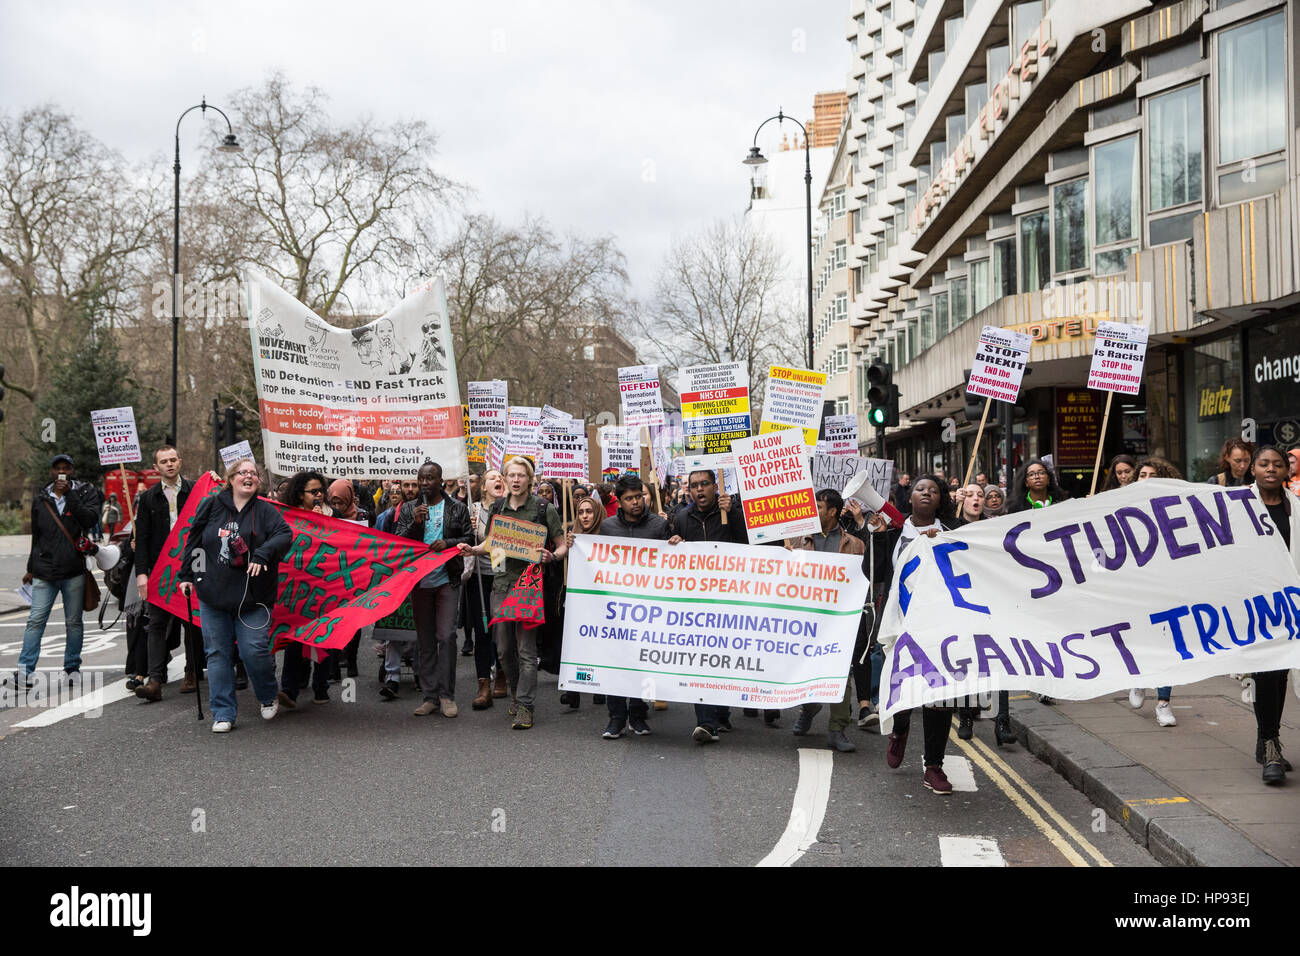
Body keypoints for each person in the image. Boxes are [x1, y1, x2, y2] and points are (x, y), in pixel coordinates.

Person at [177, 458, 292, 733]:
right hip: (213, 594)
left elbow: (284, 534)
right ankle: (223, 712)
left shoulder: (266, 510)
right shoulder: (212, 505)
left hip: (253, 597)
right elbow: (195, 541)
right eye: (243, 473)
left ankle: (267, 694)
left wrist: (264, 553)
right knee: (217, 653)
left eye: (253, 474)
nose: (249, 477)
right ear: (231, 479)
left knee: (254, 650)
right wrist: (188, 576)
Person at [458, 457, 567, 730]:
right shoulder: (498, 507)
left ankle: (526, 705)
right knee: (504, 649)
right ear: (505, 480)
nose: (516, 480)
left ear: (530, 480)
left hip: (529, 586)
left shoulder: (543, 508)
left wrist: (552, 556)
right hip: (501, 585)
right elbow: (492, 542)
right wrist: (473, 550)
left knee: (526, 649)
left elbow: (562, 545)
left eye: (521, 475)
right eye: (511, 476)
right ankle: (518, 693)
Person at [871, 476, 959, 792]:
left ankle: (933, 766)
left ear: (940, 500)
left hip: (940, 623)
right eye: (920, 489)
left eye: (933, 490)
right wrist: (876, 536)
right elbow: (877, 571)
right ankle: (900, 728)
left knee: (938, 693)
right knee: (904, 683)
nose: (926, 493)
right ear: (910, 498)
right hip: (902, 622)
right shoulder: (894, 531)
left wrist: (942, 543)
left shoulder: (953, 529)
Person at [667, 468, 749, 743]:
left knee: (723, 660)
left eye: (704, 484)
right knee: (700, 661)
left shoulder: (731, 513)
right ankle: (706, 722)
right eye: (694, 485)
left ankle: (721, 711)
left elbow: (750, 547)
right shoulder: (681, 518)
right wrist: (675, 543)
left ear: (716, 486)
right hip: (696, 603)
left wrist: (734, 512)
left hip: (729, 599)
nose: (699, 489)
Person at [788, 488, 867, 753]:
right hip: (807, 620)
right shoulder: (798, 541)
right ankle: (809, 707)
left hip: (838, 621)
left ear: (832, 512)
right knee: (806, 669)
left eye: (818, 508)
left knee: (840, 673)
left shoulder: (854, 545)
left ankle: (837, 728)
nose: (813, 511)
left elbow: (861, 583)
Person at [393, 461, 473, 718]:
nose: (425, 483)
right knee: (425, 639)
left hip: (446, 579)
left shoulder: (457, 508)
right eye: (421, 478)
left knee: (446, 636)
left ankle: (447, 695)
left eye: (430, 478)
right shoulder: (408, 508)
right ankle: (430, 696)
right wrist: (416, 523)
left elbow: (469, 539)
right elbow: (399, 541)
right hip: (419, 581)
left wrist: (447, 542)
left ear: (441, 480)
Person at [16, 454, 103, 687]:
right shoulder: (41, 498)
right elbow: (37, 536)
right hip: (44, 571)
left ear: (72, 471)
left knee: (73, 622)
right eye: (57, 469)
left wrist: (70, 496)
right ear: (51, 472)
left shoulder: (85, 493)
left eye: (66, 468)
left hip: (73, 569)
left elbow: (89, 520)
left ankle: (72, 668)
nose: (61, 472)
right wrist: (30, 568)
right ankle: (25, 671)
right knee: (36, 620)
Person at [596, 475, 670, 739]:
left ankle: (637, 715)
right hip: (617, 607)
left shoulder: (658, 525)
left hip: (648, 607)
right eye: (629, 499)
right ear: (620, 501)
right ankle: (616, 717)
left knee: (642, 661)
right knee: (615, 662)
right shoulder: (607, 528)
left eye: (639, 496)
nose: (636, 502)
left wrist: (674, 544)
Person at [132, 446, 205, 701]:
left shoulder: (196, 490)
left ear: (180, 462)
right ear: (157, 467)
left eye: (173, 460)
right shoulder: (149, 498)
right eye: (164, 461)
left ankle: (192, 671)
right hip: (160, 569)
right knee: (156, 623)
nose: (170, 464)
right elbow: (141, 539)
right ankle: (154, 680)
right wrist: (142, 574)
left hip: (191, 565)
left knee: (191, 621)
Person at [1247, 446, 1300, 783]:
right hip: (1254, 605)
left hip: (1291, 605)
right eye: (1263, 464)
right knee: (1267, 672)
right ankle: (1270, 746)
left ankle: (1266, 736)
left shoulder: (1297, 509)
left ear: (1286, 471)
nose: (1270, 469)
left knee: (1280, 674)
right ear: (1253, 469)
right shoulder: (1234, 509)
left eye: (1277, 465)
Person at [276, 471, 336, 708]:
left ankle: (321, 687)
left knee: (324, 637)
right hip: (298, 589)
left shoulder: (334, 516)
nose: (319, 495)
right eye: (314, 492)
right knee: (295, 639)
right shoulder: (289, 518)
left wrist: (324, 523)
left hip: (327, 588)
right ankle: (290, 690)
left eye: (321, 490)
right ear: (300, 495)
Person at [462, 469, 507, 707]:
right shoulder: (473, 510)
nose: (498, 480)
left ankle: (502, 674)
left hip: (503, 576)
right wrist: (466, 529)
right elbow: (460, 538)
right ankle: (484, 685)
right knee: (482, 631)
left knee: (503, 631)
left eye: (501, 477)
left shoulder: (510, 508)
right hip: (480, 578)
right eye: (492, 477)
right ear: (483, 487)